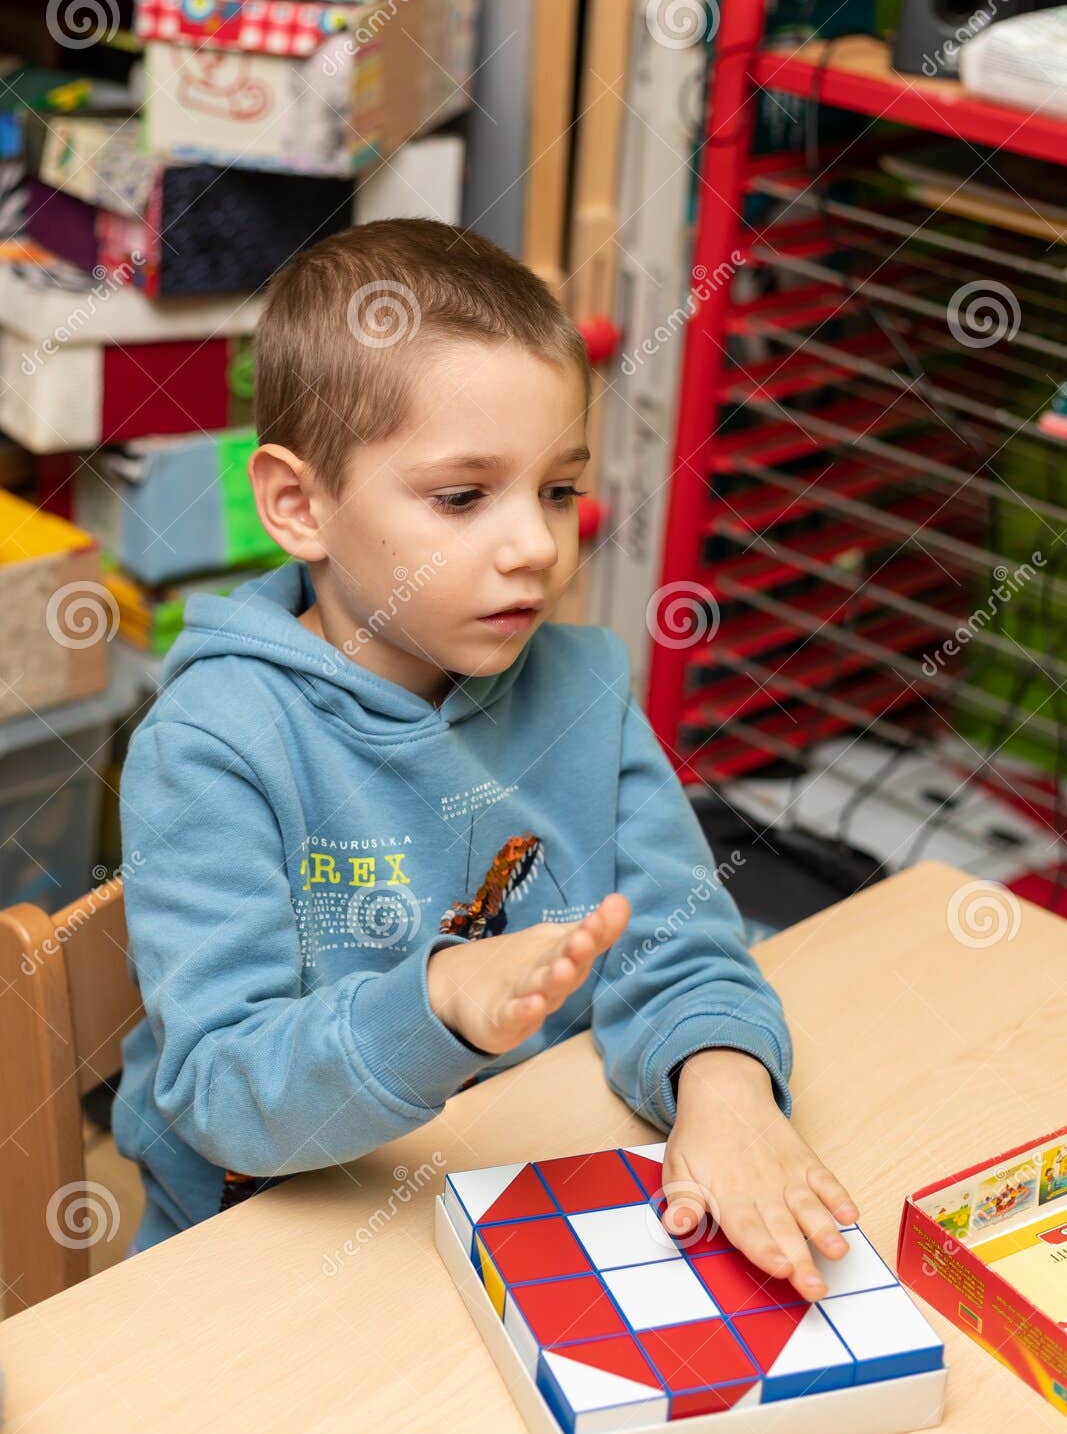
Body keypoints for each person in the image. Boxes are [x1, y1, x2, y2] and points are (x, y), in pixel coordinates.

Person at [116, 219, 858, 1296]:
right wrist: (439, 1001)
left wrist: (725, 1087)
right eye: (462, 497)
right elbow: (221, 1088)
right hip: (270, 1257)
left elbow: (681, 945)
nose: (535, 547)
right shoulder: (212, 744)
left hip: (520, 1206)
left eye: (556, 489)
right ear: (298, 505)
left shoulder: (585, 686)